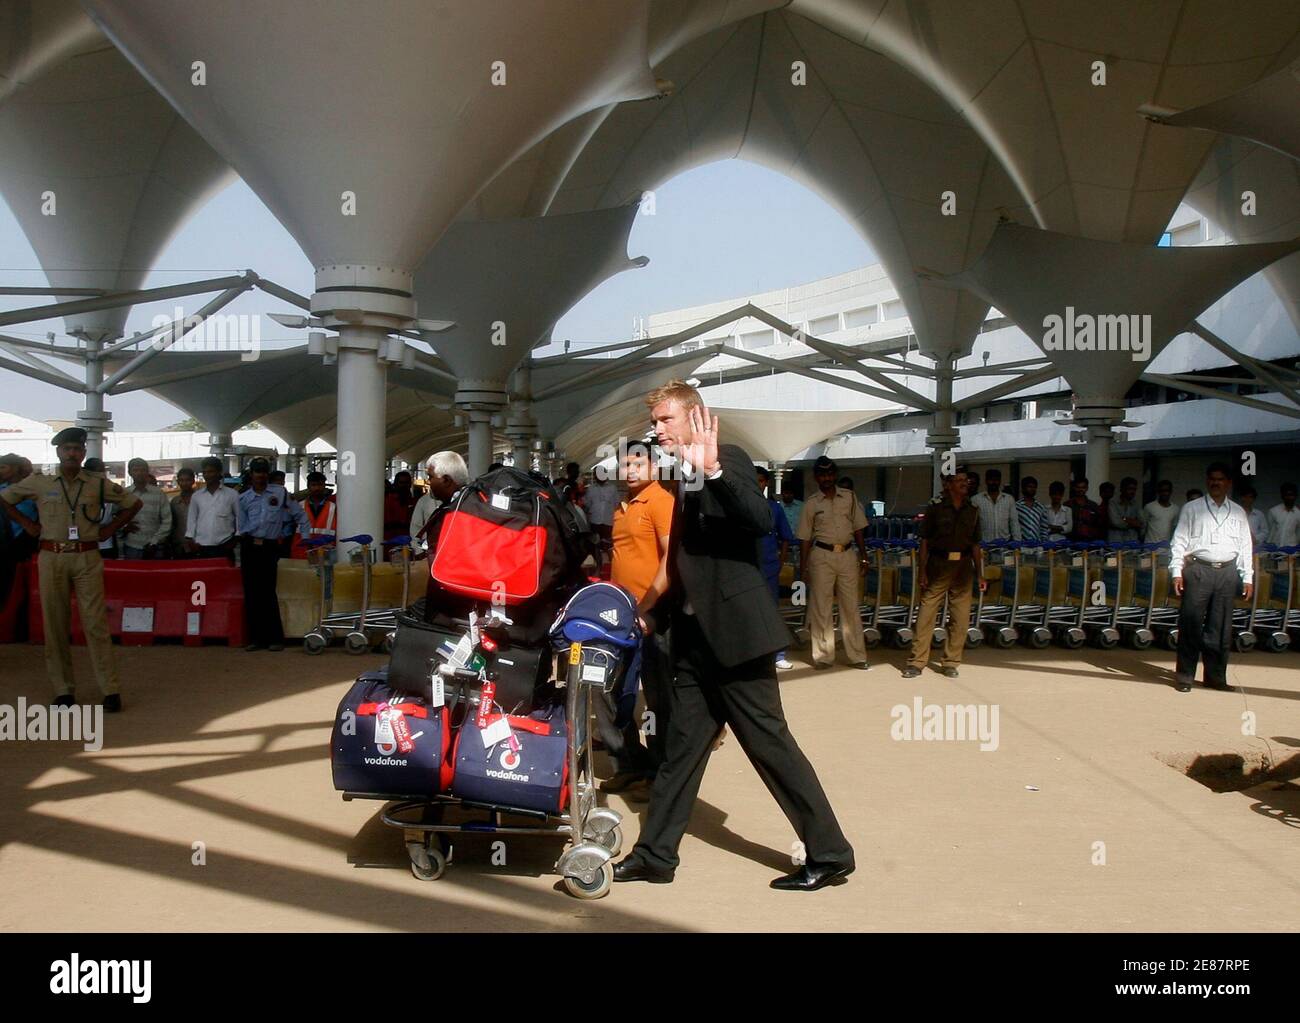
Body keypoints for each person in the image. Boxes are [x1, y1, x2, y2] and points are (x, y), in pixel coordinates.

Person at [614, 380, 854, 892]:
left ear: (695, 419)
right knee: (679, 751)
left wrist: (714, 470)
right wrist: (653, 611)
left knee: (770, 747)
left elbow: (757, 520)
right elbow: (681, 556)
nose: (655, 430)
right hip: (696, 641)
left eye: (664, 421)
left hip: (739, 639)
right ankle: (656, 855)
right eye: (654, 422)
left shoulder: (729, 459)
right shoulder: (677, 478)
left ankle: (830, 854)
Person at [0, 427, 140, 710]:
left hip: (87, 556)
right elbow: (5, 499)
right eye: (67, 449)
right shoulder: (39, 482)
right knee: (54, 623)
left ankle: (110, 690)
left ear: (84, 453)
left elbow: (132, 502)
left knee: (96, 624)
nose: (72, 454)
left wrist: (110, 528)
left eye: (77, 449)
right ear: (58, 452)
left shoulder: (97, 482)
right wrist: (26, 524)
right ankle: (63, 690)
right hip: (51, 556)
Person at [597, 441, 675, 800]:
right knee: (608, 690)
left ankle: (661, 773)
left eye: (637, 463)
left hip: (652, 618)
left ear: (655, 467)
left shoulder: (661, 500)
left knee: (658, 698)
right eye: (624, 464)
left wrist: (649, 610)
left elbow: (669, 561)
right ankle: (629, 764)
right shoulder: (622, 506)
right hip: (621, 617)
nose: (629, 470)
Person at [1169, 462, 1254, 692]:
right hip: (1198, 570)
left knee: (1220, 627)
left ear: (1228, 483)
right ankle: (1185, 676)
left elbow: (1245, 545)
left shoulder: (1237, 511)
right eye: (1212, 479)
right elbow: (1179, 541)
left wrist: (1248, 577)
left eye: (1220, 479)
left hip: (1227, 572)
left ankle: (1215, 677)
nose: (1215, 483)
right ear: (1207, 481)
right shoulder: (1192, 508)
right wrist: (1176, 571)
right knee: (1191, 623)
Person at [903, 472, 985, 679]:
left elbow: (976, 544)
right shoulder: (936, 508)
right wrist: (922, 570)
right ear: (949, 485)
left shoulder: (973, 510)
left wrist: (980, 574)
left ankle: (950, 662)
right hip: (938, 564)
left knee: (960, 616)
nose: (965, 483)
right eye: (959, 481)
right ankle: (916, 662)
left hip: (964, 566)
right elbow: (924, 541)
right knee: (926, 613)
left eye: (966, 481)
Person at [797, 455, 870, 671]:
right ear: (816, 477)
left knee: (850, 607)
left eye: (830, 474)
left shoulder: (849, 497)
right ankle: (823, 656)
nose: (827, 478)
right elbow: (805, 538)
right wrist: (803, 567)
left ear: (835, 475)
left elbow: (858, 528)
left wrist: (864, 555)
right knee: (821, 607)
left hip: (847, 554)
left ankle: (857, 656)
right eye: (822, 475)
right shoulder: (811, 503)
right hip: (821, 556)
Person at [236, 457, 304, 651]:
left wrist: (291, 534)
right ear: (251, 474)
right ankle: (255, 639)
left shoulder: (280, 493)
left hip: (269, 547)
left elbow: (298, 514)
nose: (261, 475)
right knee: (251, 593)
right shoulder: (243, 498)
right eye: (257, 472)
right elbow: (240, 526)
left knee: (268, 592)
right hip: (250, 546)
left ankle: (274, 639)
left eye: (264, 471)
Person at [756, 465, 796, 671]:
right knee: (748, 612)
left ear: (766, 483)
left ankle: (778, 654)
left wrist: (780, 562)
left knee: (772, 610)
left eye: (761, 480)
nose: (757, 483)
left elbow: (786, 538)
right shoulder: (736, 506)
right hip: (746, 568)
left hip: (769, 567)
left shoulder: (775, 508)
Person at [0, 452, 39, 604]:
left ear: (16, 468)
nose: (0, 470)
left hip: (25, 541)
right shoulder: (2, 488)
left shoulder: (32, 489)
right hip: (5, 542)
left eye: (3, 467)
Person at [186, 457, 239, 559]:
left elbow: (239, 519)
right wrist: (190, 540)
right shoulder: (197, 496)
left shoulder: (232, 494)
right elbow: (191, 520)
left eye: (210, 472)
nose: (207, 475)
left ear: (219, 472)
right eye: (205, 472)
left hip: (225, 545)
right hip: (201, 547)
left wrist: (235, 540)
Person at [120, 458, 172, 559]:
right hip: (132, 546)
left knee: (156, 575)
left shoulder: (159, 494)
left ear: (147, 472)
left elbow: (167, 521)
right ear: (130, 472)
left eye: (143, 470)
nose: (139, 473)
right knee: (133, 574)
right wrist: (124, 526)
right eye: (136, 470)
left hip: (155, 548)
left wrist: (154, 542)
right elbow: (114, 517)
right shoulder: (124, 494)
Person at [290, 471, 336, 559]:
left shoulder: (333, 507)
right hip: (301, 554)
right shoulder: (299, 506)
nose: (317, 488)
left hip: (325, 554)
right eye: (314, 485)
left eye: (320, 485)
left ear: (324, 486)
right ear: (308, 487)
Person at [970, 468, 1020, 542]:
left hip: (1005, 545)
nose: (993, 482)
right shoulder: (976, 499)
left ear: (1000, 481)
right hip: (984, 545)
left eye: (996, 480)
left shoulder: (1009, 499)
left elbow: (1014, 523)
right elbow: (972, 525)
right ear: (986, 481)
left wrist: (1017, 542)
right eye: (991, 480)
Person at [584, 466, 620, 562]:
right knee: (595, 545)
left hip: (608, 521)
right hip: (595, 521)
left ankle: (611, 565)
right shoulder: (590, 489)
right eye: (596, 474)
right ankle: (598, 567)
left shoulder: (613, 488)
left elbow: (617, 504)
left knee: (608, 545)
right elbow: (587, 504)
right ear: (595, 476)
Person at [383, 470, 419, 549]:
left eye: (406, 483)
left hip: (409, 542)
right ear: (395, 484)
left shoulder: (415, 502)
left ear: (410, 484)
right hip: (391, 542)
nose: (404, 485)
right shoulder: (387, 500)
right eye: (401, 483)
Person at [168, 467, 197, 558]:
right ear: (178, 482)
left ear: (193, 481)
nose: (185, 483)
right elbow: (173, 524)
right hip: (179, 545)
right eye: (181, 480)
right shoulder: (174, 502)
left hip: (198, 544)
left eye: (188, 480)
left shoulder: (200, 499)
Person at [1142, 479, 1180, 544]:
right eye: (1161, 491)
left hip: (1166, 549)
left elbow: (1174, 529)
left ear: (1171, 492)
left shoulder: (1175, 509)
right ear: (1158, 492)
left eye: (1167, 491)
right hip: (1149, 548)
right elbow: (1143, 527)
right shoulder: (1149, 507)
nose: (1164, 493)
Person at [1066, 477, 1104, 542]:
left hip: (1090, 541)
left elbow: (1099, 524)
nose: (1080, 489)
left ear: (1087, 488)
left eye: (1083, 487)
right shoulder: (1068, 505)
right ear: (1074, 488)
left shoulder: (1093, 506)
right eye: (1078, 487)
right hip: (1072, 541)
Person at [1107, 476, 1142, 542]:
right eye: (1130, 489)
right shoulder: (1113, 502)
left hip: (1132, 543)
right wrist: (1131, 521)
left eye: (1134, 489)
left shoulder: (1136, 504)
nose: (1132, 492)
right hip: (1116, 543)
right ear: (1122, 489)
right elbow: (1116, 522)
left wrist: (1123, 518)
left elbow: (1140, 523)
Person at [1015, 475, 1048, 544]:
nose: (1032, 489)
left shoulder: (1041, 507)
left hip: (1037, 545)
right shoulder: (1016, 506)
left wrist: (1044, 543)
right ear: (1023, 488)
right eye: (1030, 486)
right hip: (1021, 545)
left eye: (1034, 487)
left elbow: (1044, 528)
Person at [1267, 482, 1299, 547]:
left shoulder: (1298, 513)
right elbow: (1270, 530)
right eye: (1286, 495)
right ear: (1282, 496)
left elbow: (1298, 532)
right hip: (1275, 548)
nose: (1289, 497)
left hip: (1292, 548)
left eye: (1291, 495)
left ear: (1295, 496)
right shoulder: (1273, 511)